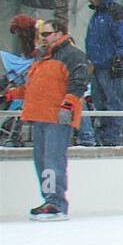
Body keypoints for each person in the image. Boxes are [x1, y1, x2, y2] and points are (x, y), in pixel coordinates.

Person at [4, 20, 88, 221]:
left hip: (56, 117)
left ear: (60, 33)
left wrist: (68, 105)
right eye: (41, 34)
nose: (42, 37)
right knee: (42, 161)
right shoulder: (42, 59)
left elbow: (78, 83)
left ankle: (56, 202)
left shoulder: (72, 55)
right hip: (39, 115)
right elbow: (33, 87)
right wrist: (10, 95)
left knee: (52, 160)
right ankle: (49, 199)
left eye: (47, 33)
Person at [82, 0, 123, 146]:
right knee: (102, 103)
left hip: (109, 66)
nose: (90, 0)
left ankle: (111, 137)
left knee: (112, 102)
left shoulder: (111, 13)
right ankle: (107, 136)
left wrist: (120, 61)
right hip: (100, 66)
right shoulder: (101, 15)